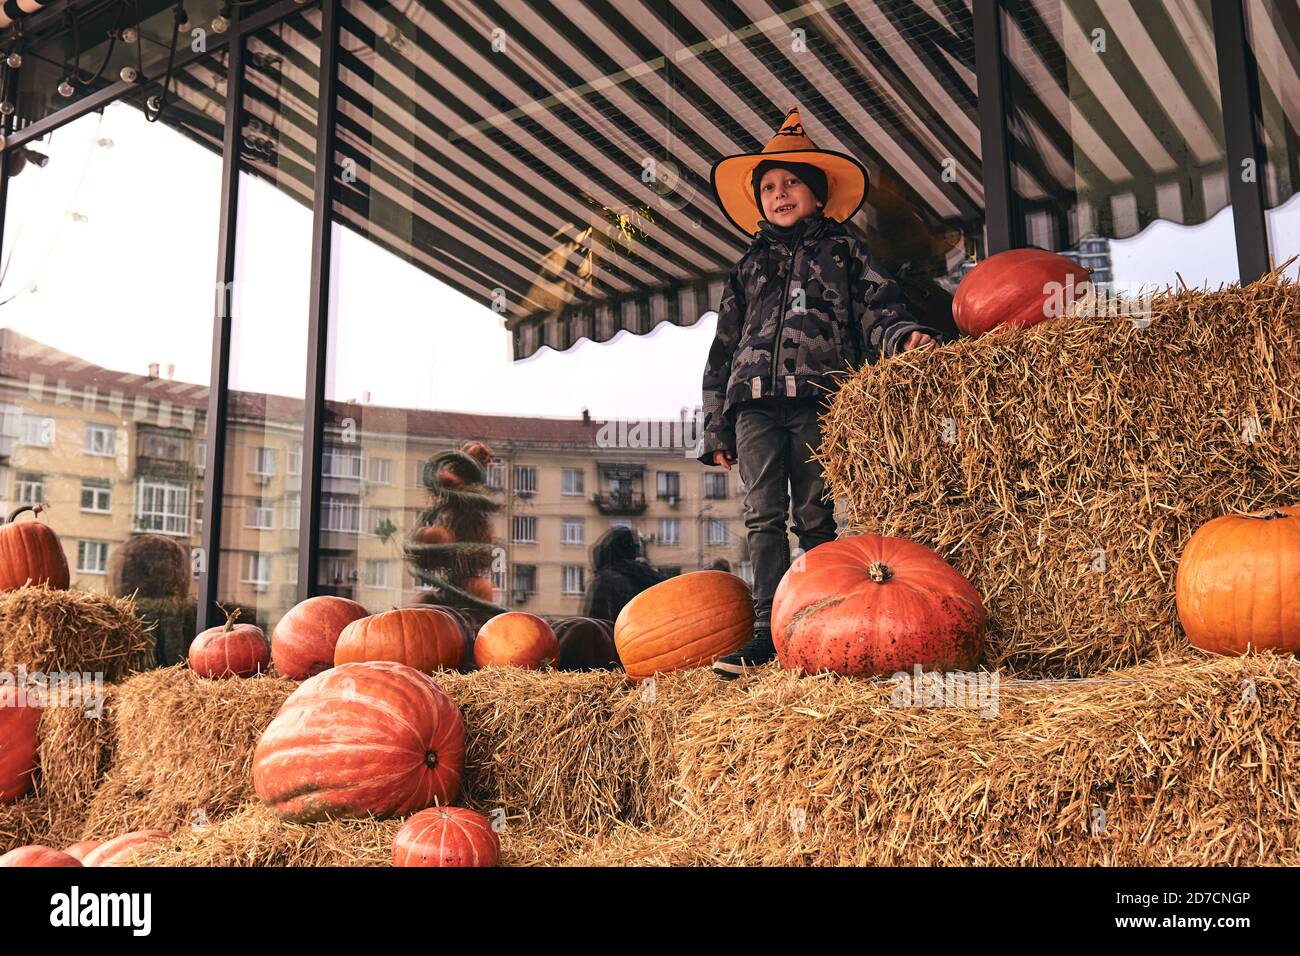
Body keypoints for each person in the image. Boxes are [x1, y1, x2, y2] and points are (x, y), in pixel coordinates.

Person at [697, 106, 941, 680]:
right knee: (762, 516)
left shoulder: (845, 251)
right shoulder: (748, 266)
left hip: (818, 398)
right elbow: (722, 348)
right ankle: (768, 629)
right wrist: (715, 424)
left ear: (818, 192)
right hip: (752, 405)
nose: (780, 194)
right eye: (770, 187)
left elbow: (878, 308)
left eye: (791, 184)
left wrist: (904, 337)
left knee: (814, 516)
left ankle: (817, 618)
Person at [581, 526, 668, 624]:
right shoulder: (648, 578)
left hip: (616, 637)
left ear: (604, 552)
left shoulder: (604, 581)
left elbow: (593, 626)